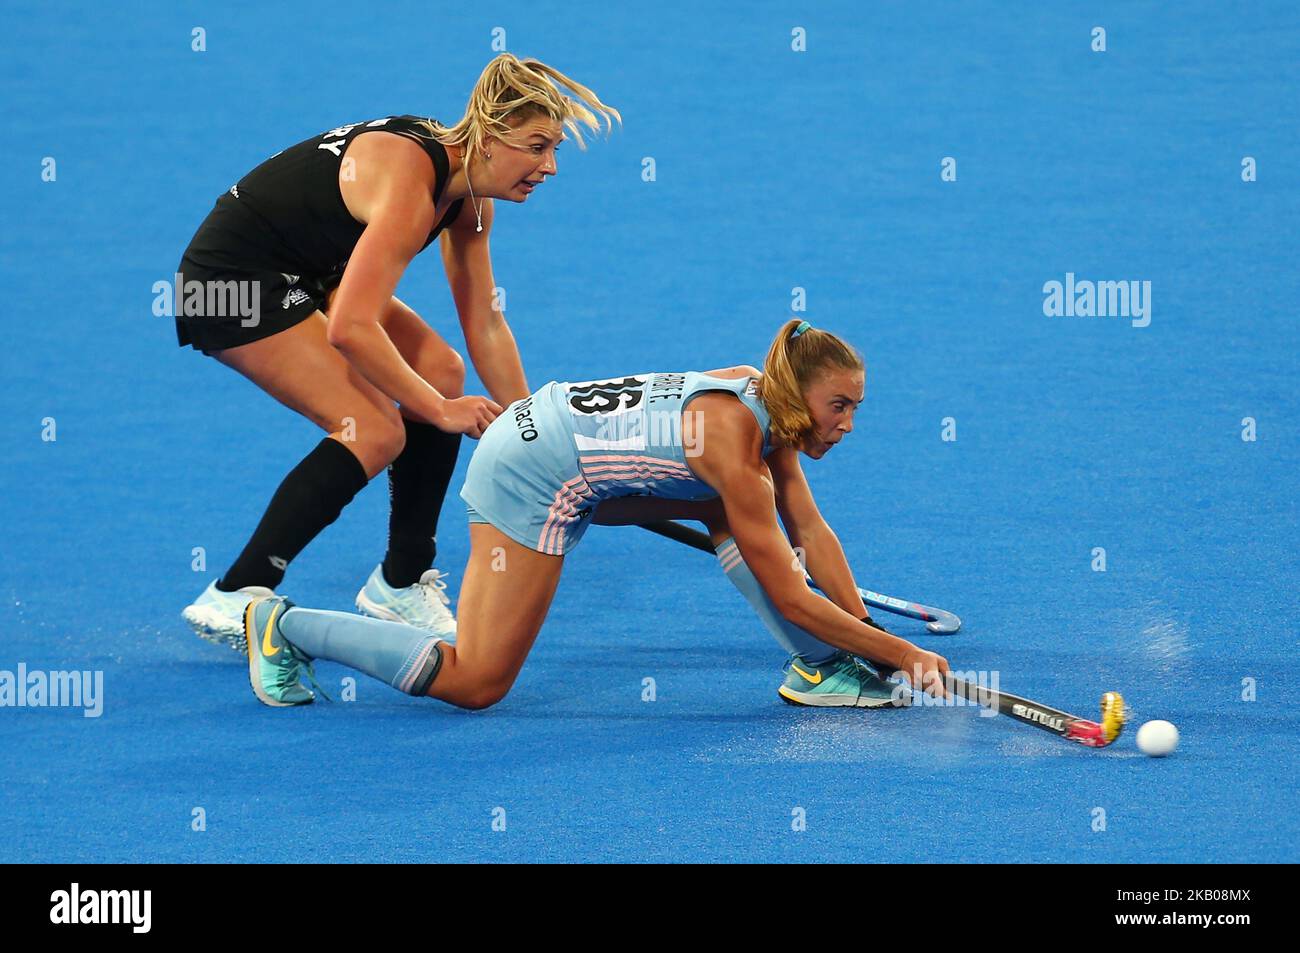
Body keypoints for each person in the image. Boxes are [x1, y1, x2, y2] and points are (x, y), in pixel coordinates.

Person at [239, 319, 952, 710]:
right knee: (477, 679)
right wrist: (904, 655)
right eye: (841, 406)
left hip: (553, 438)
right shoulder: (735, 452)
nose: (849, 422)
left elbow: (812, 530)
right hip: (528, 474)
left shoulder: (759, 394)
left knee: (738, 508)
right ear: (805, 398)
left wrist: (864, 635)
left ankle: (823, 666)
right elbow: (795, 589)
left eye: (856, 406)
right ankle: (284, 625)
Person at [175, 54, 620, 651]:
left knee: (441, 369)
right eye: (538, 147)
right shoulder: (413, 188)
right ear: (489, 138)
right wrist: (439, 412)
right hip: (231, 283)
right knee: (372, 429)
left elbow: (485, 322)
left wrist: (531, 433)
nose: (551, 166)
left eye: (555, 149)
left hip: (306, 270)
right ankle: (237, 592)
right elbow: (351, 328)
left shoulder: (468, 197)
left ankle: (399, 584)